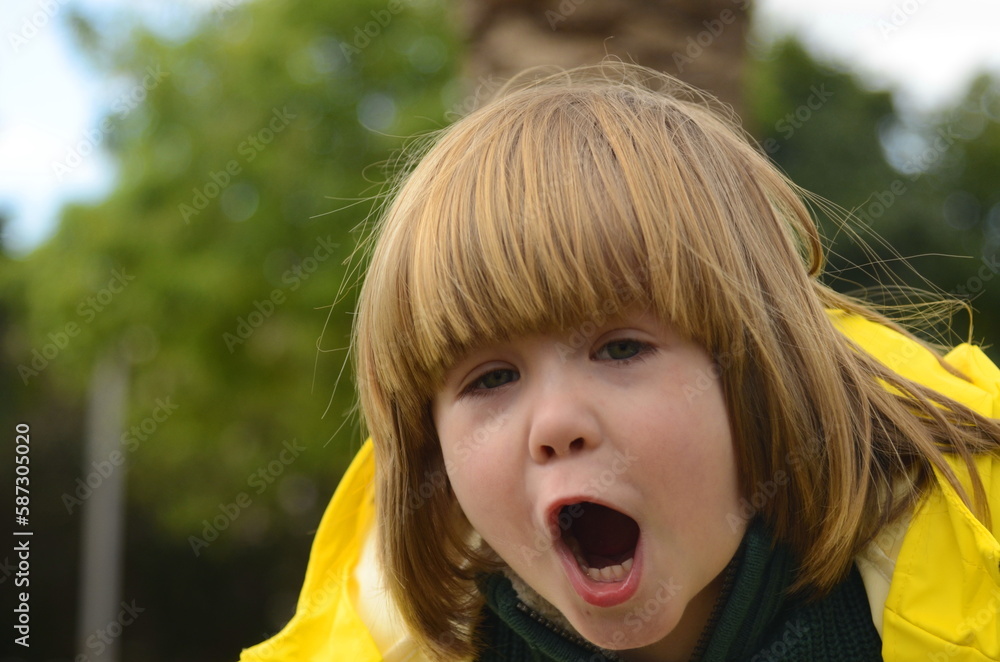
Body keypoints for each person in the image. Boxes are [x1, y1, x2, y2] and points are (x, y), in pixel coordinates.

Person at [239, 63, 1000, 662]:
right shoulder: (393, 645)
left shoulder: (947, 585)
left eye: (621, 348)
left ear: (761, 374)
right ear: (429, 455)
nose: (557, 424)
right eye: (491, 379)